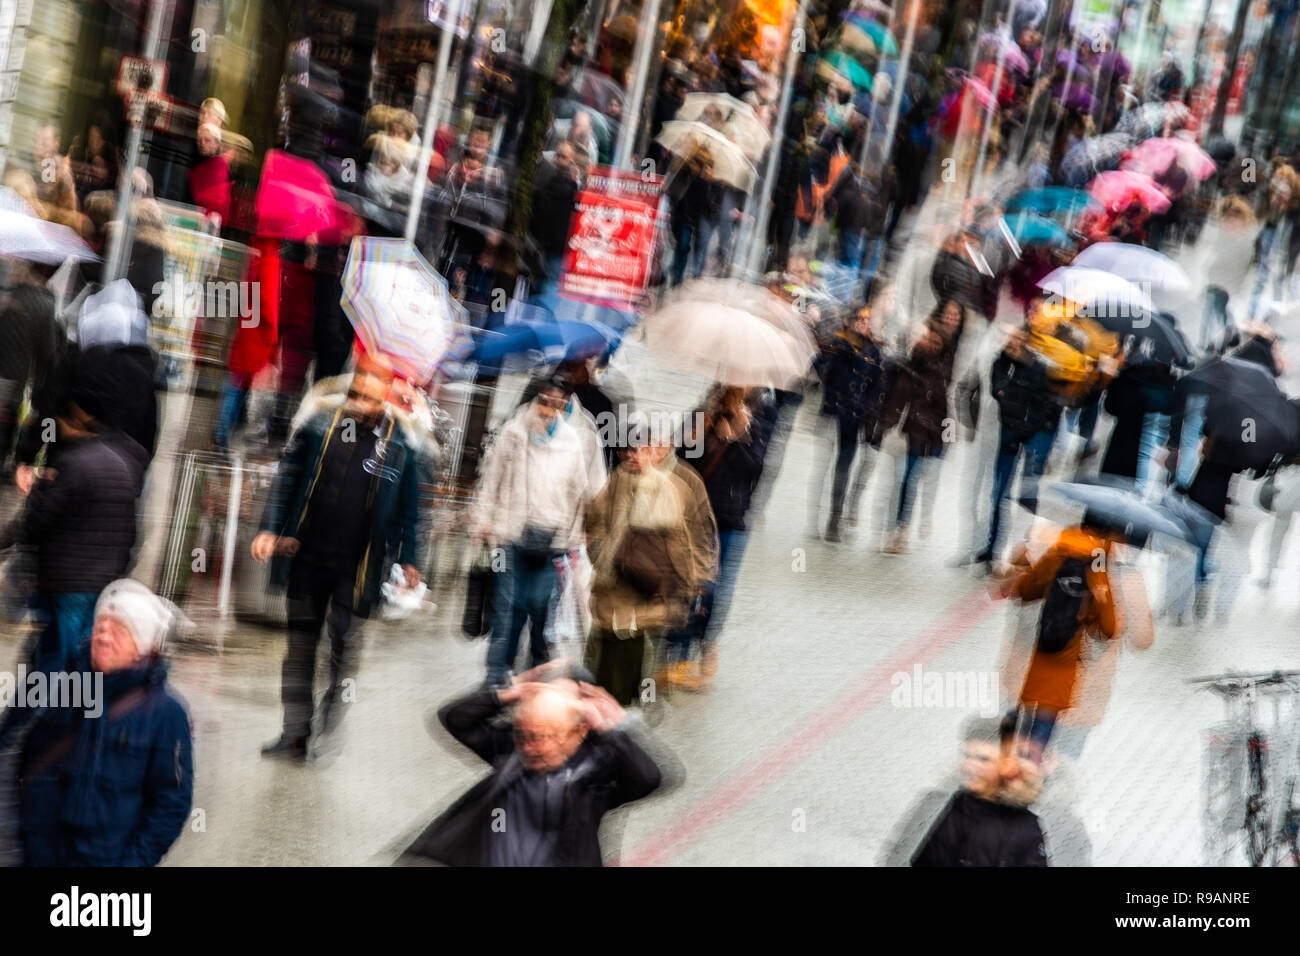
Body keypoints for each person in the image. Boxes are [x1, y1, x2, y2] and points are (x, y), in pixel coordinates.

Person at [252, 359, 424, 761]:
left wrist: (411, 559)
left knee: (343, 648)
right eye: (354, 395)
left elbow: (411, 513)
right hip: (309, 555)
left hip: (360, 565)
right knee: (299, 648)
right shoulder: (317, 428)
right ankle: (294, 733)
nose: (358, 404)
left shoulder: (402, 448)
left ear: (385, 396)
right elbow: (286, 479)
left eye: (368, 396)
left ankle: (329, 723)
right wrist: (270, 529)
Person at [1, 579, 194, 866]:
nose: (104, 637)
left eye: (119, 631)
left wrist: (134, 862)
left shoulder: (167, 713)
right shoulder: (57, 686)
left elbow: (170, 803)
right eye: (101, 627)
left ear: (142, 647)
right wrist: (19, 838)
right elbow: (17, 756)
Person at [400, 670, 666, 866]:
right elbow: (456, 719)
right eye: (525, 735)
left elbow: (649, 779)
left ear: (581, 728)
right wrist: (511, 692)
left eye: (545, 736)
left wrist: (613, 729)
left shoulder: (600, 774)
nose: (530, 747)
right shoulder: (514, 749)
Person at [0, 352, 150, 674]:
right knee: (77, 657)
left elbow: (37, 522)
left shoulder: (74, 463)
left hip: (65, 581)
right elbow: (132, 530)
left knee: (57, 661)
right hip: (101, 581)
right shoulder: (129, 458)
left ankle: (48, 716)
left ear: (79, 417)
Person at [472, 377, 595, 688]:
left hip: (552, 542)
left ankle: (537, 679)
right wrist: (483, 522)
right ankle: (497, 678)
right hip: (508, 538)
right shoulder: (513, 433)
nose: (550, 410)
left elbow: (579, 494)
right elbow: (491, 479)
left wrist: (575, 537)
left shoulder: (572, 442)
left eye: (559, 404)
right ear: (535, 399)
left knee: (541, 610)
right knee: (507, 609)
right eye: (545, 401)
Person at [585, 413, 717, 702]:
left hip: (643, 601)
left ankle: (620, 719)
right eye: (626, 449)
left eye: (639, 448)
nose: (630, 455)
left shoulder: (675, 486)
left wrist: (693, 584)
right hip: (609, 595)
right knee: (599, 671)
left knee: (624, 680)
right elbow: (593, 521)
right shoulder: (616, 480)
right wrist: (599, 553)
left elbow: (689, 539)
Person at [676, 386, 771, 685]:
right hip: (696, 516)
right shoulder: (702, 413)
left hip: (732, 520)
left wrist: (736, 436)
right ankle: (680, 655)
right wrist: (703, 432)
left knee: (717, 591)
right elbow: (681, 461)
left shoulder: (758, 422)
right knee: (691, 585)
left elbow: (755, 469)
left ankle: (707, 641)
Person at [895, 717, 1047, 867]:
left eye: (983, 759)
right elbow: (909, 858)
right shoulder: (944, 806)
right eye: (967, 756)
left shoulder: (1025, 825)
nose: (969, 766)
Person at [881, 299, 966, 554]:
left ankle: (911, 523)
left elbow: (947, 407)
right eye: (926, 339)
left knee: (919, 479)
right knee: (905, 478)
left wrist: (946, 436)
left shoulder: (942, 372)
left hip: (933, 433)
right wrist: (888, 424)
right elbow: (897, 396)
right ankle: (899, 528)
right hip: (912, 431)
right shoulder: (910, 364)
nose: (928, 343)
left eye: (934, 342)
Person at [972, 323, 1060, 568]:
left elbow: (1045, 404)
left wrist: (1027, 419)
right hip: (1010, 434)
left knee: (1028, 494)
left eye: (1015, 337)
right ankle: (993, 548)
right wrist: (1016, 402)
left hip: (1033, 435)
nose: (1010, 342)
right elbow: (998, 393)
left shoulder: (1039, 366)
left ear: (1026, 339)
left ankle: (1025, 549)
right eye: (1006, 337)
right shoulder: (1001, 363)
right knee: (999, 492)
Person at [811, 302, 888, 543]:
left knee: (843, 468)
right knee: (825, 468)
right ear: (848, 321)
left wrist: (871, 414)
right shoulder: (836, 345)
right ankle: (818, 518)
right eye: (859, 319)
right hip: (833, 413)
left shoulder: (874, 352)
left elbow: (877, 386)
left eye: (867, 320)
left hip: (855, 418)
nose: (863, 325)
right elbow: (822, 374)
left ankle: (835, 518)